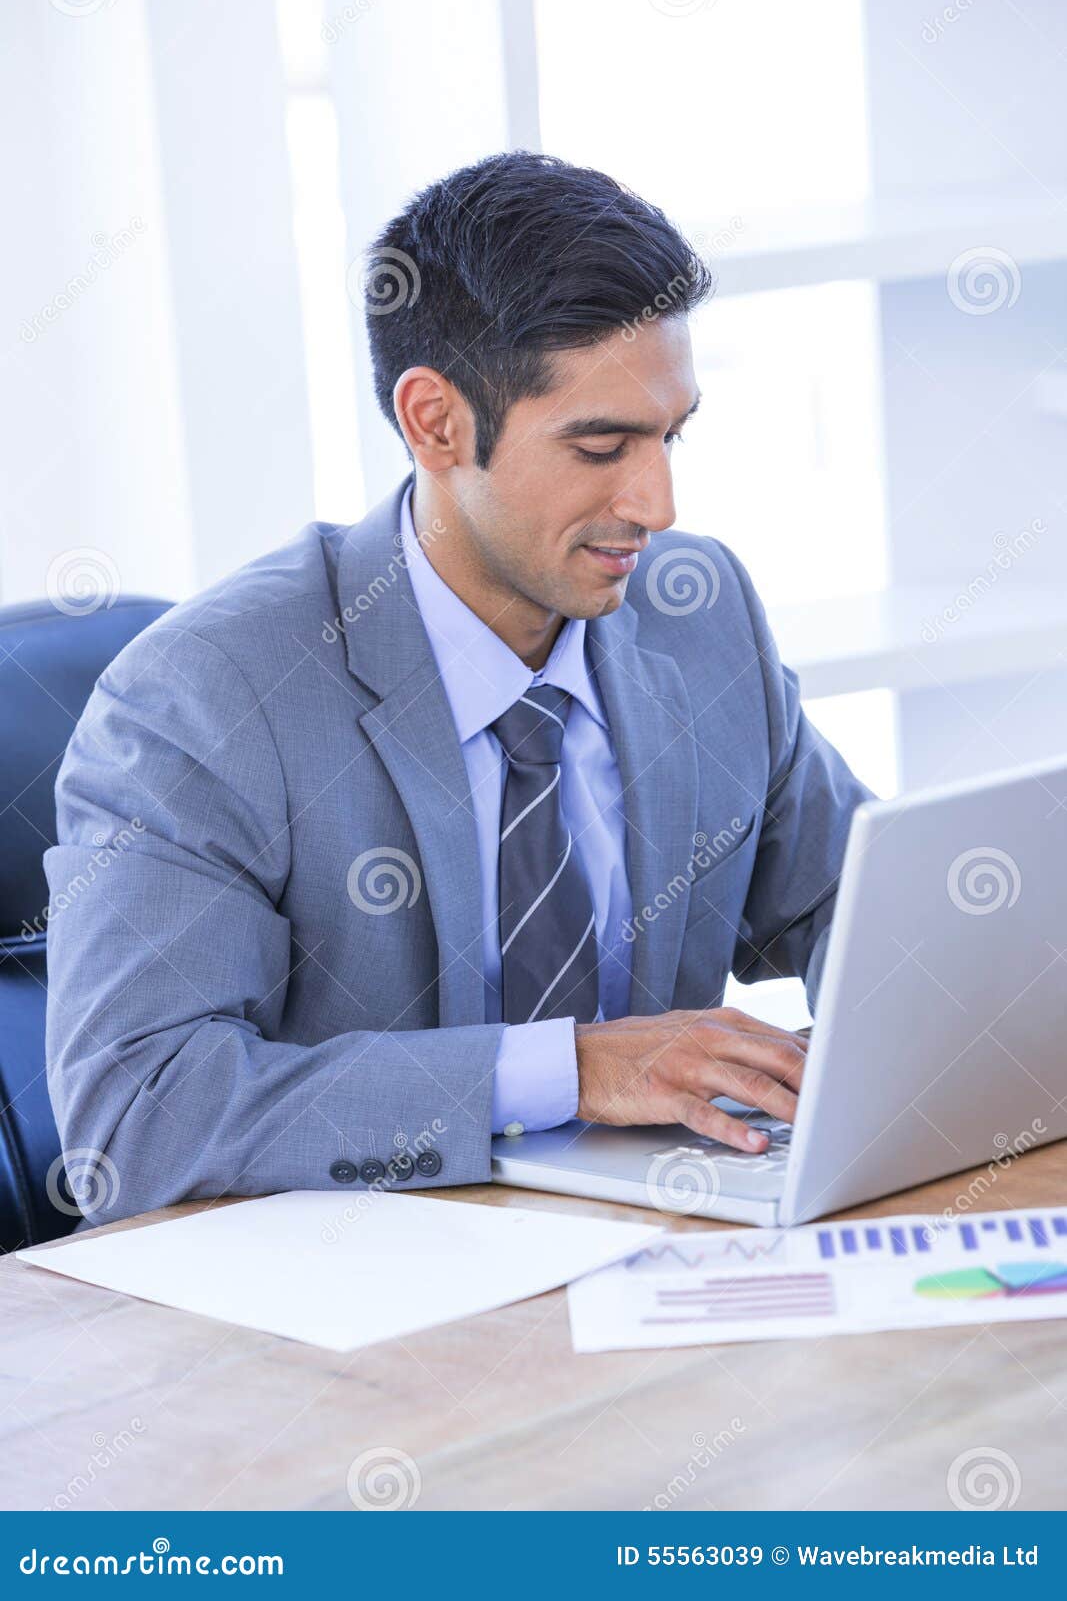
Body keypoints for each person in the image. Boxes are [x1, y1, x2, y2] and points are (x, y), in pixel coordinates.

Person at [44, 152, 873, 1224]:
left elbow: (859, 910)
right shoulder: (209, 694)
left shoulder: (697, 613)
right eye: (601, 446)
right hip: (360, 1286)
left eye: (670, 436)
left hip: (658, 1241)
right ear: (434, 422)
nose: (657, 504)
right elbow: (136, 1118)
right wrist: (568, 1070)